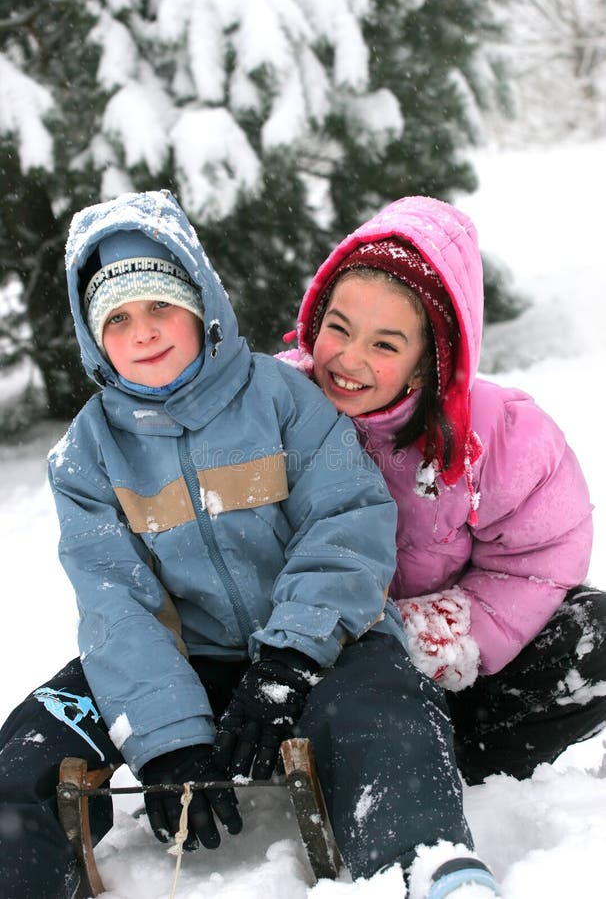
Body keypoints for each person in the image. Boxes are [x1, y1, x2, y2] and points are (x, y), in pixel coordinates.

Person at [0, 190, 499, 899]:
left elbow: (347, 525)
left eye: (160, 305)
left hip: (324, 649)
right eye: (118, 318)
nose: (144, 332)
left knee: (385, 710)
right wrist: (167, 736)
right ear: (92, 337)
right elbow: (115, 601)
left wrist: (289, 658)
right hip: (181, 659)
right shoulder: (87, 454)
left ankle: (427, 861)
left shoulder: (282, 398)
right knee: (32, 742)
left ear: (200, 303)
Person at [279, 194, 606, 787]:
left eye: (384, 344)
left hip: (446, 668)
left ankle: (459, 762)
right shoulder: (269, 412)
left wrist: (441, 635)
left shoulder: (498, 436)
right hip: (307, 662)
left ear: (429, 359)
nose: (348, 360)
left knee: (596, 630)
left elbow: (534, 566)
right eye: (338, 329)